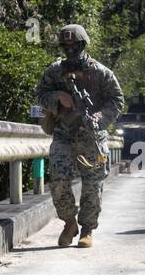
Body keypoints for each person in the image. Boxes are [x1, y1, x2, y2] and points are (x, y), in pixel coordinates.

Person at [35, 25, 125, 248]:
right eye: (65, 46)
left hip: (91, 137)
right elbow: (40, 95)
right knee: (58, 181)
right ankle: (69, 223)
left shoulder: (102, 73)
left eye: (74, 45)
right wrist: (58, 97)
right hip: (63, 134)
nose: (69, 49)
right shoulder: (55, 71)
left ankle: (87, 229)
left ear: (83, 45)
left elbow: (117, 100)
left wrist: (98, 118)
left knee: (92, 185)